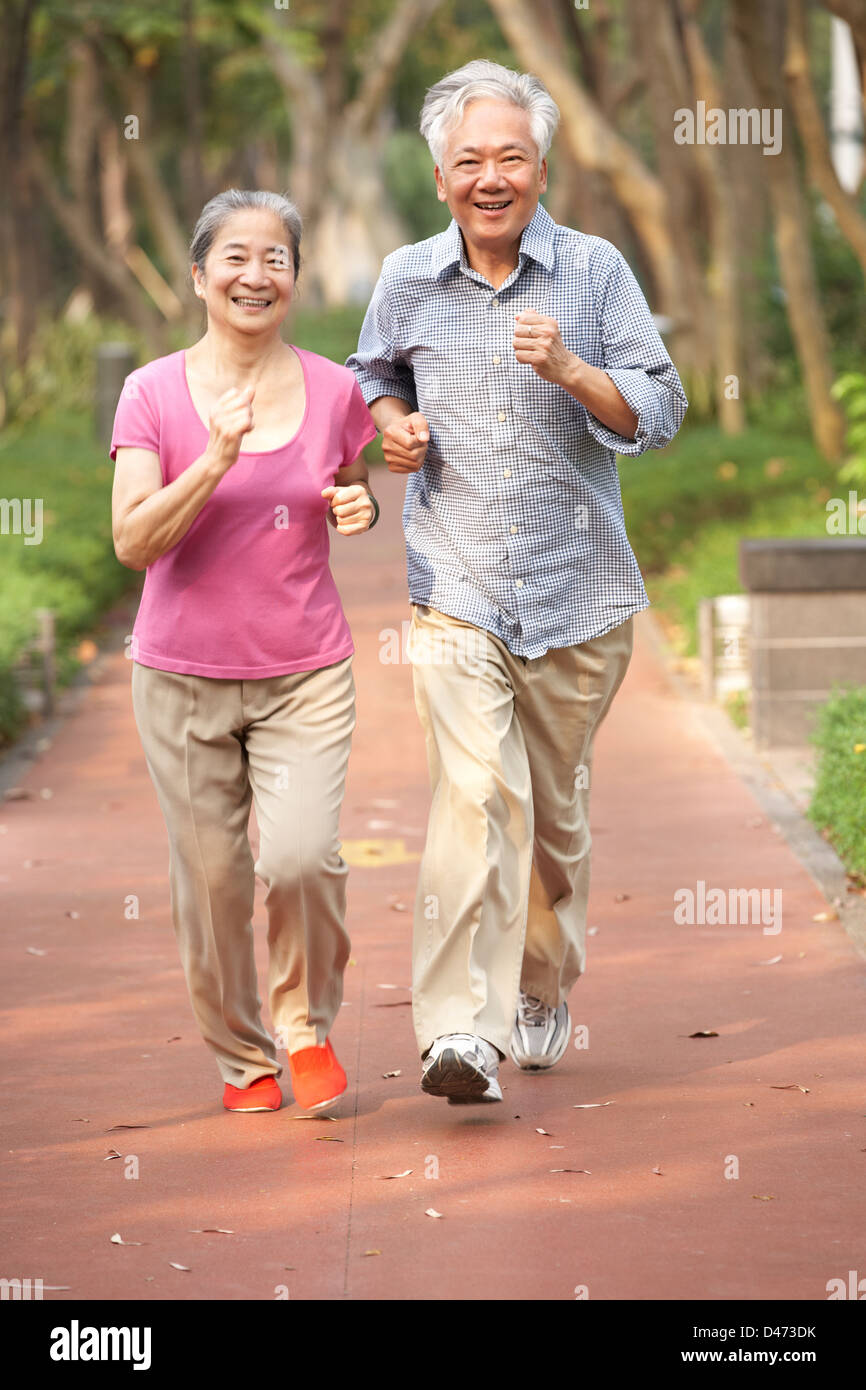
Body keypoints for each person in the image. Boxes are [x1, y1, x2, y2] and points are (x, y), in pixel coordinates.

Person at [347, 60, 688, 1104]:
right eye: (468, 159)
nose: (488, 175)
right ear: (439, 174)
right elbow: (373, 371)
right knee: (474, 797)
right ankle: (459, 1030)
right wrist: (388, 426)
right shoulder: (406, 275)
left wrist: (574, 372)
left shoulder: (592, 274)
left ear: (540, 168)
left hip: (578, 593)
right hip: (454, 580)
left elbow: (662, 409)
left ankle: (540, 980)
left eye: (509, 157)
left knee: (551, 818)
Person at [111, 189, 378, 1114]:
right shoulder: (150, 392)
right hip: (181, 676)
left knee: (301, 856)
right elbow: (134, 541)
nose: (255, 275)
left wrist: (362, 506)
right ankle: (242, 1057)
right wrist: (216, 458)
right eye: (235, 257)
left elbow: (348, 490)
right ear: (198, 276)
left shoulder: (336, 390)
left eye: (275, 259)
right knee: (215, 878)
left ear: (295, 280)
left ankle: (303, 1027)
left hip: (304, 667)